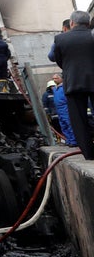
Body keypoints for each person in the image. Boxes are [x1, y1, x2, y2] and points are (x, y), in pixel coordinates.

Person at [50, 11, 94, 159]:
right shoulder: (92, 35)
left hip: (73, 82)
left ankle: (89, 153)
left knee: (78, 119)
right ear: (88, 23)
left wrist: (69, 70)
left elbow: (58, 59)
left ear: (71, 23)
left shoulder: (60, 39)